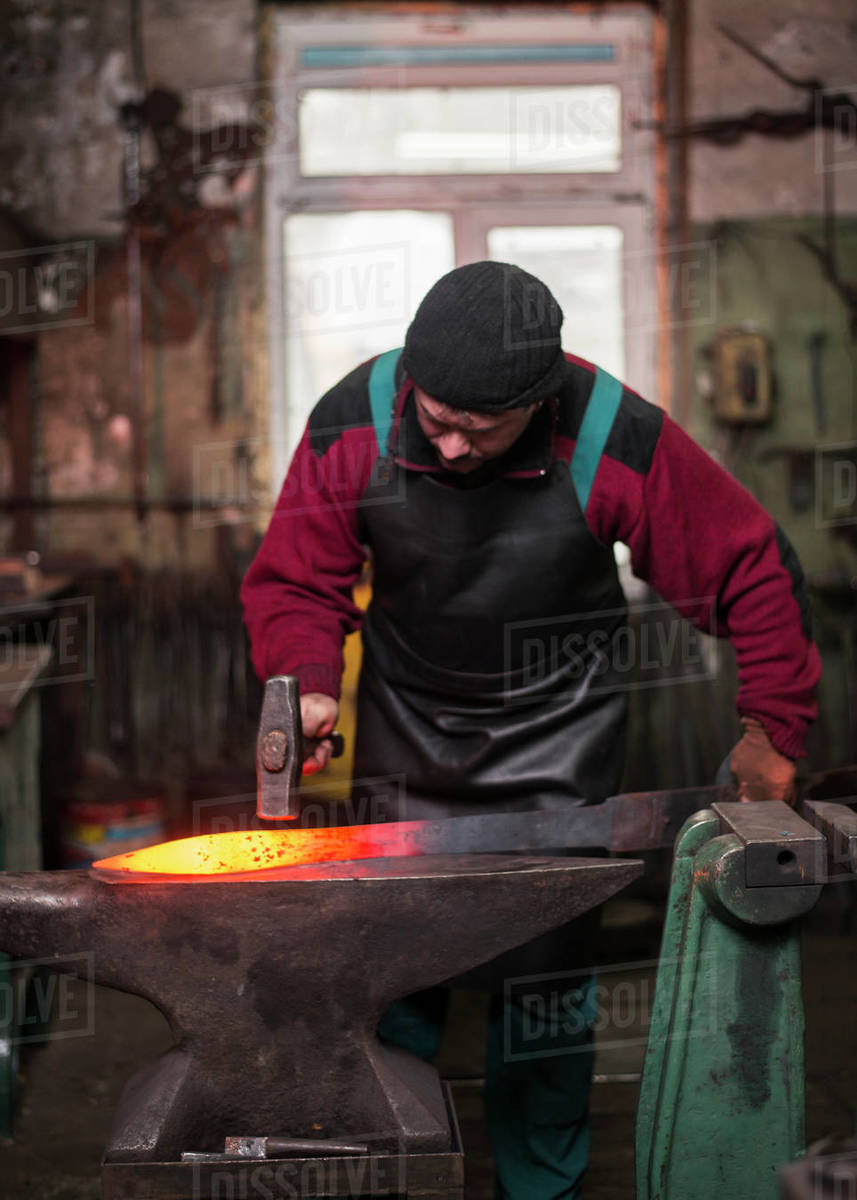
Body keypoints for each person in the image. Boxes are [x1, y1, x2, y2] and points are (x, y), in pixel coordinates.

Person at [241, 261, 820, 1197]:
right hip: (407, 729)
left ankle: (540, 1186)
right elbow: (297, 578)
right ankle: (396, 1171)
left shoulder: (608, 433)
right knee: (389, 977)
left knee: (541, 996)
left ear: (541, 402)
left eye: (484, 427)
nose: (458, 448)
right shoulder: (353, 418)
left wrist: (773, 727)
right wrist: (308, 684)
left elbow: (747, 566)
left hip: (560, 742)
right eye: (437, 422)